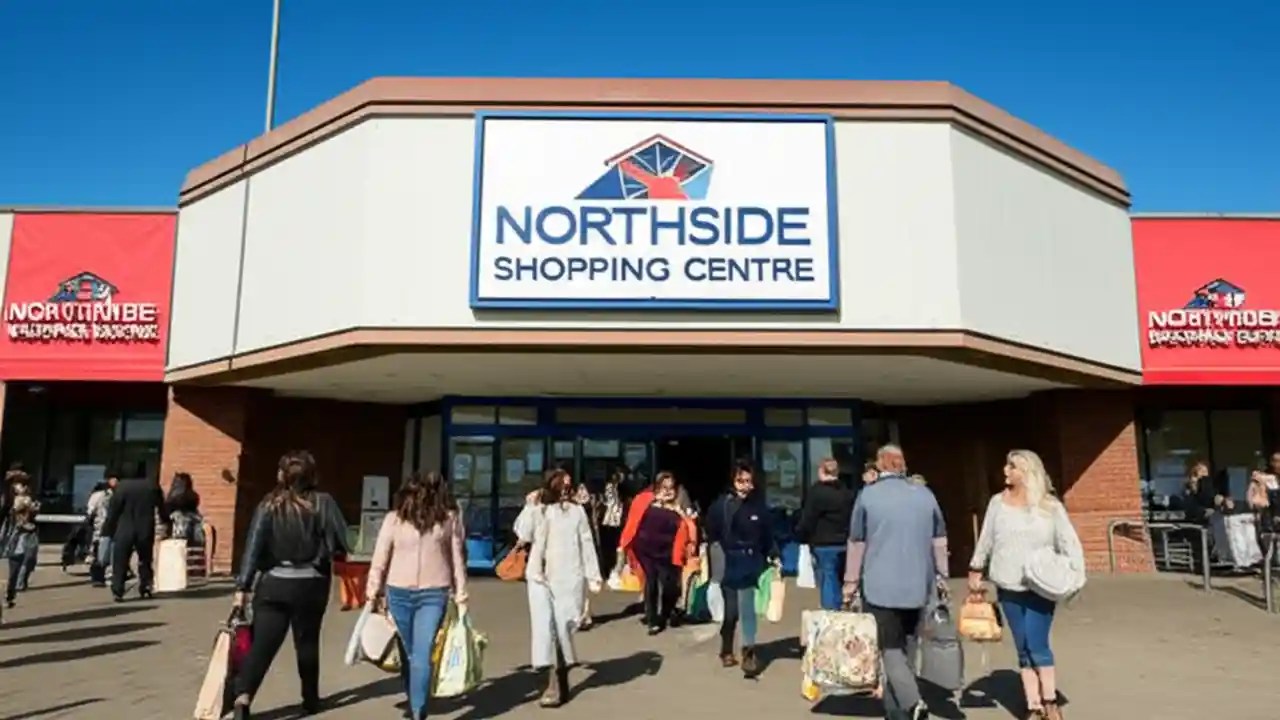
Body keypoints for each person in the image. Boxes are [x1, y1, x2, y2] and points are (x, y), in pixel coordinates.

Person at [230, 450, 350, 720]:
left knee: (262, 645)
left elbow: (252, 547)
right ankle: (310, 699)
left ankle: (243, 698)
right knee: (307, 642)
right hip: (311, 584)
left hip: (274, 583)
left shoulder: (269, 504)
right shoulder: (324, 502)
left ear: (282, 475)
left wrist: (242, 589)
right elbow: (342, 542)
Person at [969, 449, 1084, 720]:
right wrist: (976, 568)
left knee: (1037, 643)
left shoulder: (1049, 506)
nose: (1006, 471)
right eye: (1007, 466)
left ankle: (1050, 701)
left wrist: (1074, 574)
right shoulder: (997, 503)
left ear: (1028, 472)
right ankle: (1033, 705)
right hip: (1008, 583)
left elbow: (1069, 542)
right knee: (1022, 646)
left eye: (1013, 467)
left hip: (1041, 585)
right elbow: (986, 539)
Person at [843, 444, 948, 720]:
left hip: (880, 585)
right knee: (908, 647)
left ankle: (912, 702)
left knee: (888, 649)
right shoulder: (925, 495)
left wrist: (850, 582)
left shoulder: (868, 496)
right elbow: (939, 538)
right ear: (902, 464)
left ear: (880, 464)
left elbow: (856, 541)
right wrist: (942, 575)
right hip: (917, 584)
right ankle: (896, 711)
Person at [365, 471, 467, 720]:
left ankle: (419, 710)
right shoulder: (394, 520)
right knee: (409, 654)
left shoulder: (448, 519)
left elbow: (457, 559)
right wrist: (372, 592)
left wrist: (461, 595)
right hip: (397, 593)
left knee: (421, 652)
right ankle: (415, 699)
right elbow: (380, 558)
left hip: (434, 594)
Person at [515, 469, 602, 708]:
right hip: (540, 580)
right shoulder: (540, 510)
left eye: (568, 487)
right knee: (547, 631)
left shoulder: (576, 513)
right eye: (561, 487)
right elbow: (523, 533)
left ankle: (559, 676)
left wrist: (593, 575)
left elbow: (586, 543)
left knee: (562, 628)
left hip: (567, 578)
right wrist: (530, 506)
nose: (566, 492)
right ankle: (553, 683)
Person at [706, 461, 776, 679]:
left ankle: (748, 652)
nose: (745, 486)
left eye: (748, 481)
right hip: (729, 561)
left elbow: (767, 536)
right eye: (740, 481)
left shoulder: (759, 507)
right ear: (733, 482)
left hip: (750, 562)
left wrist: (773, 555)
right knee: (731, 612)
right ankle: (726, 648)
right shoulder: (722, 505)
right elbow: (712, 532)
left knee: (747, 611)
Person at [620, 472, 692, 635]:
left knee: (669, 586)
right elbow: (632, 523)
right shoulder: (645, 501)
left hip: (668, 552)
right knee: (651, 581)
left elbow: (689, 528)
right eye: (663, 487)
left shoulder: (679, 507)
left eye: (671, 488)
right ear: (656, 488)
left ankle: (665, 614)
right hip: (645, 550)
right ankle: (652, 619)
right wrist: (623, 546)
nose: (667, 491)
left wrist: (681, 514)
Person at [796, 457, 855, 610]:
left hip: (823, 543)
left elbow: (808, 518)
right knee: (839, 577)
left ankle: (830, 612)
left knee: (828, 577)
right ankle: (841, 606)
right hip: (844, 542)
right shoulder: (846, 492)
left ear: (821, 470)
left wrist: (801, 535)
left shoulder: (817, 492)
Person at [101, 471, 168, 601]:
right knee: (145, 559)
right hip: (145, 527)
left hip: (124, 528)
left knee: (120, 560)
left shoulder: (122, 487)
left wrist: (107, 529)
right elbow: (161, 507)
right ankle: (146, 586)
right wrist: (166, 522)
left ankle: (118, 589)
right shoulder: (152, 486)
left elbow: (113, 511)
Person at [3, 470, 40, 608]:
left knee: (29, 559)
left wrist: (32, 508)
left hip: (28, 533)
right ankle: (10, 592)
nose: (22, 487)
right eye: (19, 484)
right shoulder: (8, 499)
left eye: (24, 485)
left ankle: (17, 586)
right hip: (13, 534)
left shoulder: (30, 499)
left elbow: (33, 514)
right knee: (15, 563)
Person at [86, 473, 118, 587]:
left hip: (108, 528)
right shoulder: (101, 495)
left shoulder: (117, 494)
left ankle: (104, 576)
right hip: (101, 528)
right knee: (100, 553)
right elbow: (90, 513)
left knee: (105, 553)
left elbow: (90, 512)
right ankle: (100, 577)